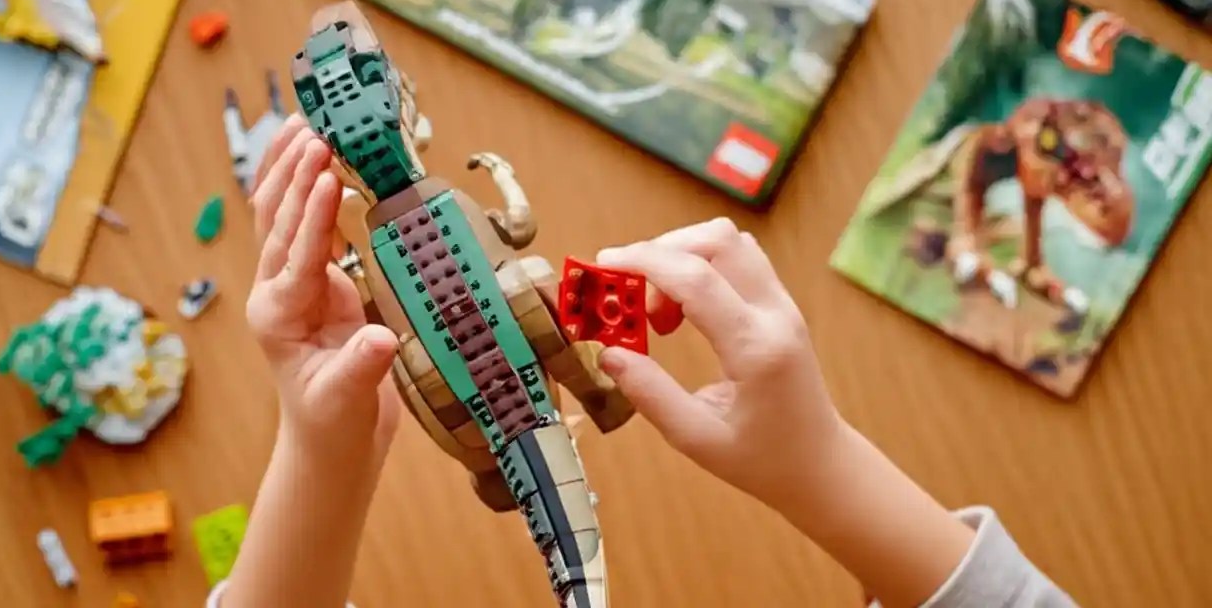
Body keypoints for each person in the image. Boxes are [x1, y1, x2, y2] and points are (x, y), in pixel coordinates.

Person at [212, 120, 1074, 608]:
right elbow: (511, 238)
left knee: (541, 289)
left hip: (487, 349)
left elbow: (514, 242)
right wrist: (821, 468)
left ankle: (592, 394)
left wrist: (321, 461)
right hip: (470, 358)